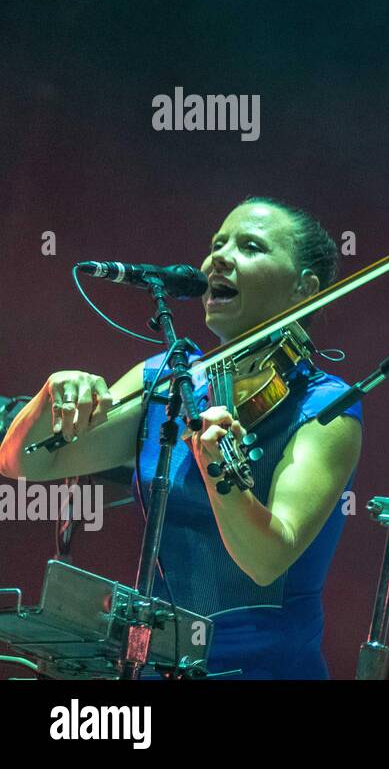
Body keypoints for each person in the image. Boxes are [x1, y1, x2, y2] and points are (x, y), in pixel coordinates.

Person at [0, 197, 362, 679]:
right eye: (218, 244)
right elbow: (24, 463)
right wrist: (50, 396)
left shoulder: (323, 409)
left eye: (250, 246)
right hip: (154, 665)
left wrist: (220, 472)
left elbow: (267, 559)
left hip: (264, 670)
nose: (220, 258)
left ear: (304, 288)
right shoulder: (169, 380)